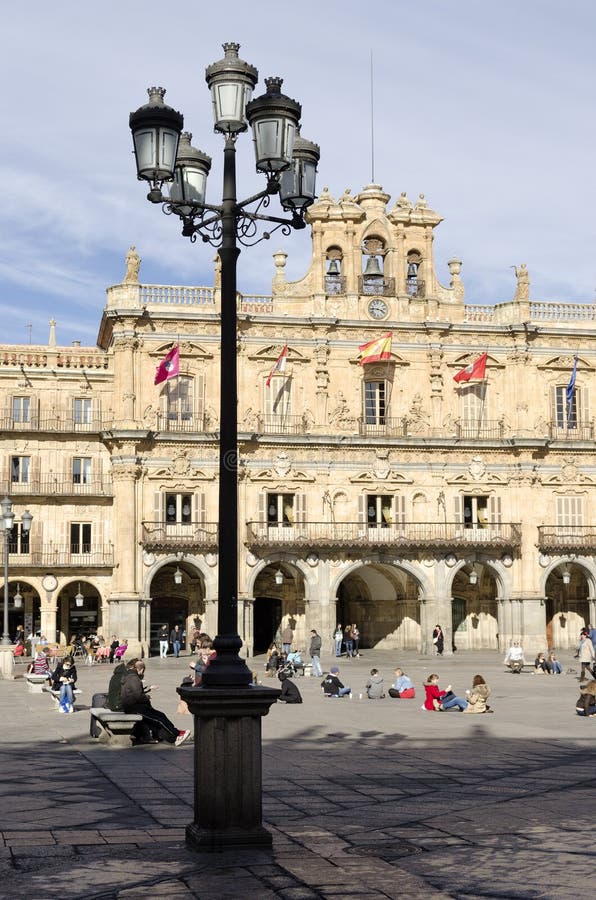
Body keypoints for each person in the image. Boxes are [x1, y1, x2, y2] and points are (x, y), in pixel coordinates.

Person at [120, 660, 191, 747]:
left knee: (159, 716)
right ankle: (176, 734)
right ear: (141, 670)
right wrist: (147, 698)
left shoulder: (129, 677)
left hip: (132, 706)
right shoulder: (134, 678)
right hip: (135, 708)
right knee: (158, 719)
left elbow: (134, 693)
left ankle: (173, 736)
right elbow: (138, 696)